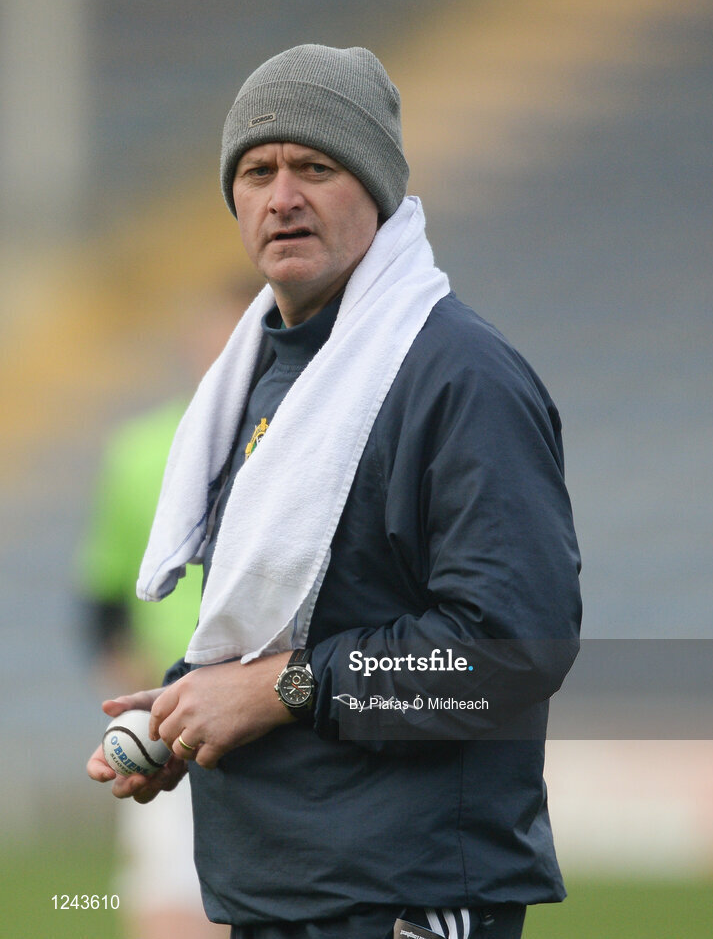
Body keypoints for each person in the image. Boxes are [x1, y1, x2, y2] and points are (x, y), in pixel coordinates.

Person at [87, 45, 582, 939]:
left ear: (379, 189)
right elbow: (282, 622)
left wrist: (281, 691)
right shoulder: (257, 378)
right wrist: (186, 708)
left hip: (406, 897)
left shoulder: (458, 377)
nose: (282, 196)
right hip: (273, 893)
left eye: (316, 166)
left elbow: (509, 653)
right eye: (257, 171)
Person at [79, 284, 253, 939]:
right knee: (167, 914)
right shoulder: (138, 451)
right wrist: (134, 701)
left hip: (273, 714)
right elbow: (102, 602)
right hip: (172, 718)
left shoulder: (302, 451)